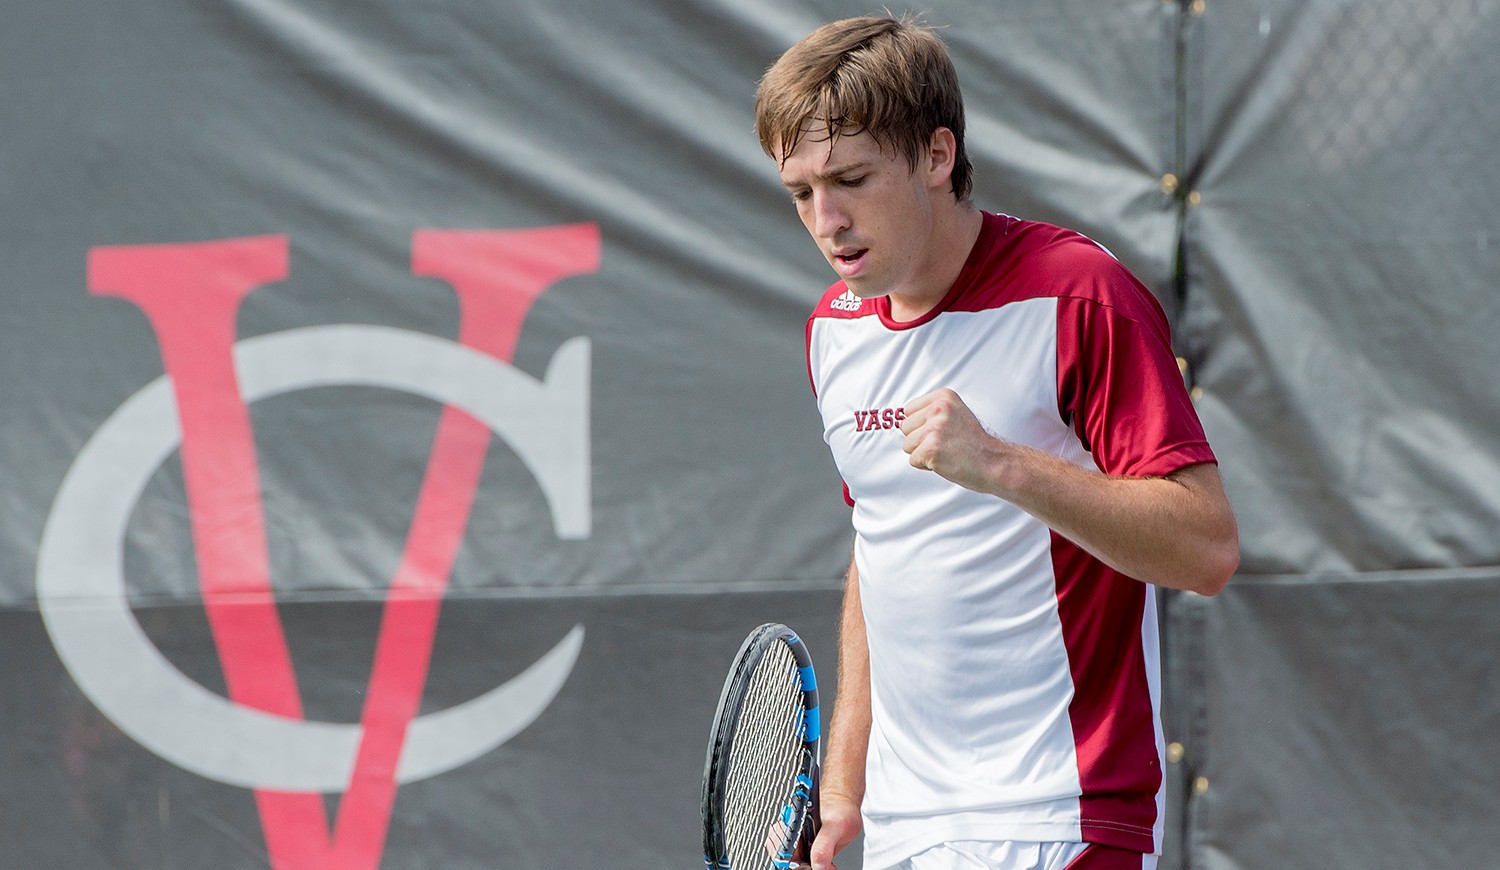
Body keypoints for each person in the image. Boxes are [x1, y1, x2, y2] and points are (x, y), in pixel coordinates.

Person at [753, 15, 1239, 870]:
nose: (827, 220)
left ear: (937, 157)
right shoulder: (833, 333)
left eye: (852, 179)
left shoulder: (1079, 295)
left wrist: (1002, 464)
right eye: (801, 192)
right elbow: (882, 545)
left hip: (1063, 814)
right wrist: (842, 791)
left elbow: (1205, 548)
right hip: (907, 831)